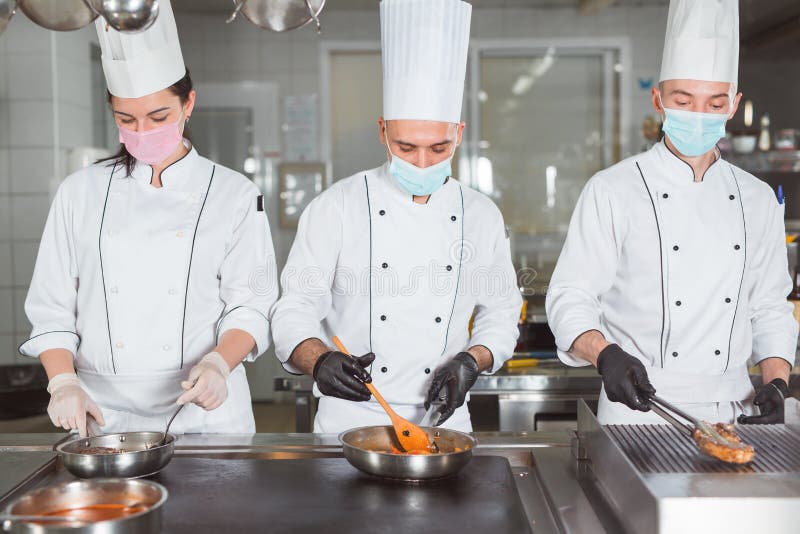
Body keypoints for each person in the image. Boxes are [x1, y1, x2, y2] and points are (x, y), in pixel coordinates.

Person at [20, 0, 278, 436]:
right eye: (127, 119)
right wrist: (63, 382)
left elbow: (251, 305)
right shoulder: (79, 192)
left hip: (205, 410)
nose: (142, 132)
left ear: (188, 104)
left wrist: (219, 363)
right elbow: (51, 308)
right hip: (102, 412)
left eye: (158, 116)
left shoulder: (233, 193)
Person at [270, 0, 521, 434]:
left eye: (438, 148)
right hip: (348, 422)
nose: (422, 162)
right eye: (406, 147)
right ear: (383, 131)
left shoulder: (481, 215)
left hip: (445, 421)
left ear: (458, 134)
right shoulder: (337, 206)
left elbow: (500, 311)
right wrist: (319, 358)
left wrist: (471, 359)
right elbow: (294, 306)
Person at [546, 0, 797, 425]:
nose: (699, 116)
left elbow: (770, 306)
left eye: (714, 104)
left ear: (733, 105)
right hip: (639, 407)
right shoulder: (612, 189)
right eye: (684, 100)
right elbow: (571, 297)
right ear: (658, 99)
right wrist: (604, 354)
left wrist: (776, 381)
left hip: (735, 409)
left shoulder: (757, 199)